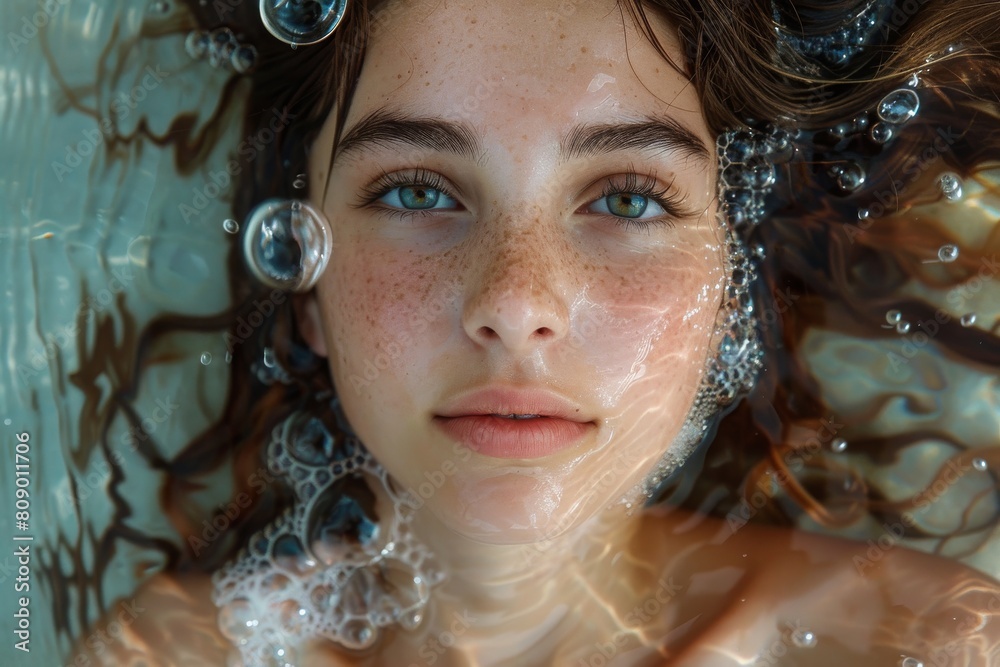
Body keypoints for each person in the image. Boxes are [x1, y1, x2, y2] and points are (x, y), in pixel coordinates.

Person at [70, 0, 1000, 665]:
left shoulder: (928, 642)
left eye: (627, 199)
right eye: (415, 192)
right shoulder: (168, 653)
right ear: (304, 281)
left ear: (730, 285)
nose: (515, 302)